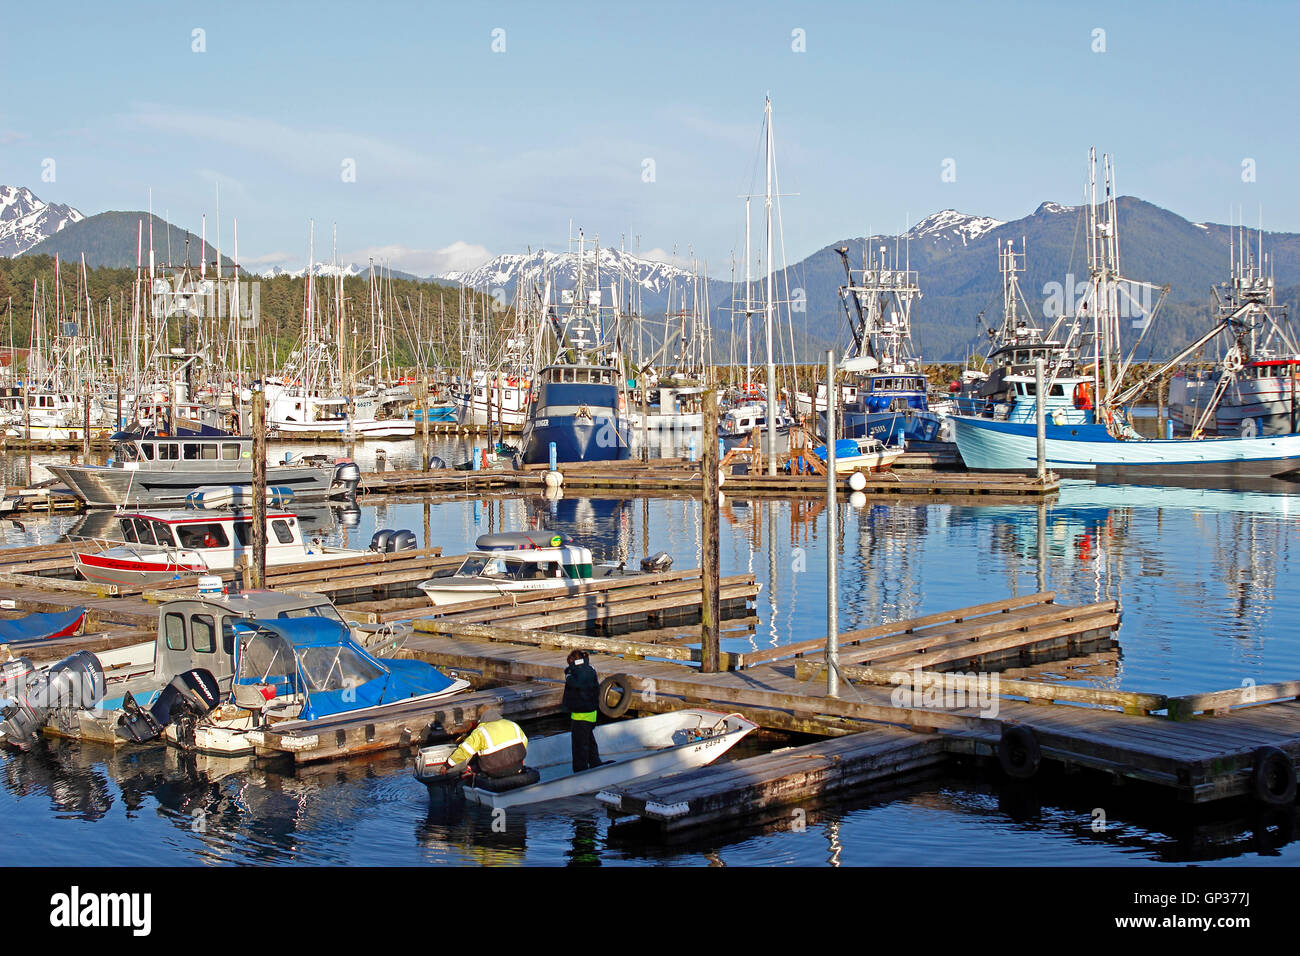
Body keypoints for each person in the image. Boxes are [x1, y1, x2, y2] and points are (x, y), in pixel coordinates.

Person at [440, 707, 528, 778]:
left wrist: (447, 765)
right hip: (517, 766)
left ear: (481, 718)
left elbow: (464, 751)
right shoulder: (512, 724)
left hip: (494, 772)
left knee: (474, 762)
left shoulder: (480, 732)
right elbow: (524, 742)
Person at [562, 650, 604, 772]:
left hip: (580, 716)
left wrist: (568, 675)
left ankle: (580, 770)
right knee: (589, 740)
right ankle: (595, 762)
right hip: (591, 714)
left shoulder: (575, 674)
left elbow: (576, 684)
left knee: (579, 746)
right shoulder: (590, 669)